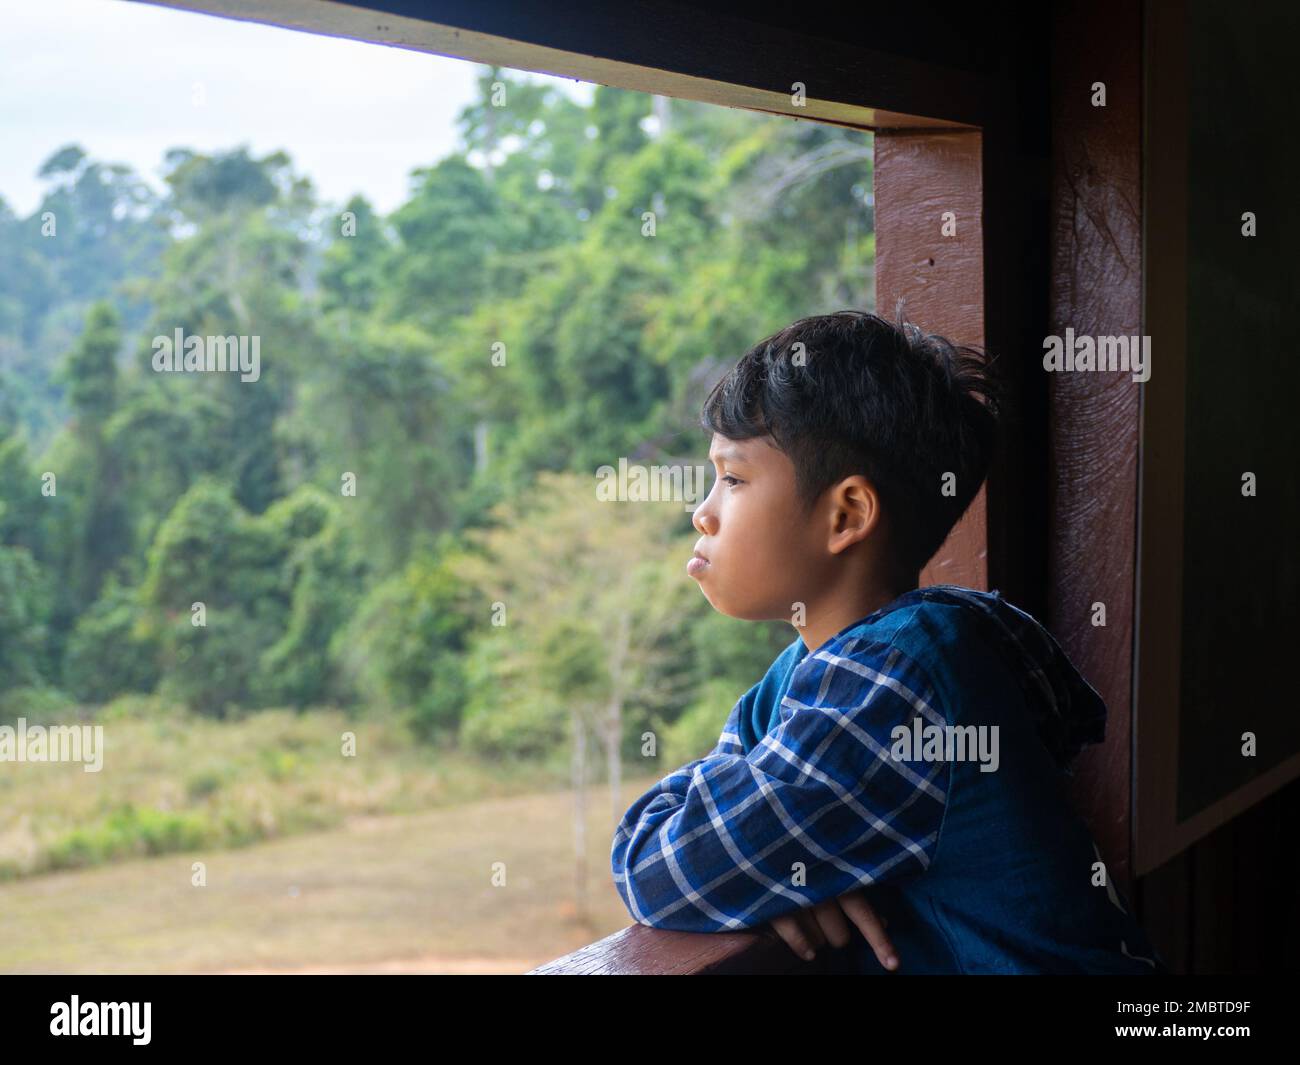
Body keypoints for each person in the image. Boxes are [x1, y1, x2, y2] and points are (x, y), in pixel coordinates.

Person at [610, 307, 1167, 974]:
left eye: (732, 478)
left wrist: (764, 866)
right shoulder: (807, 673)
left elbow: (659, 866)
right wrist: (780, 874)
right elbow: (724, 828)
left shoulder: (898, 678)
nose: (702, 510)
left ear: (846, 514)